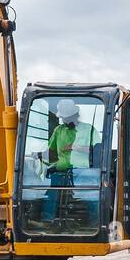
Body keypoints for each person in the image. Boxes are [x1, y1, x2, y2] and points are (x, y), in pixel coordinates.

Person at [42, 99, 101, 231]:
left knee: (92, 196)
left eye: (67, 118)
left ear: (75, 115)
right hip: (61, 171)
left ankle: (95, 224)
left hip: (83, 171)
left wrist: (75, 147)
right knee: (50, 194)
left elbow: (98, 151)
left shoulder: (89, 130)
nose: (65, 121)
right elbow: (50, 153)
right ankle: (47, 221)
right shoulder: (59, 130)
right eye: (63, 118)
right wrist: (39, 155)